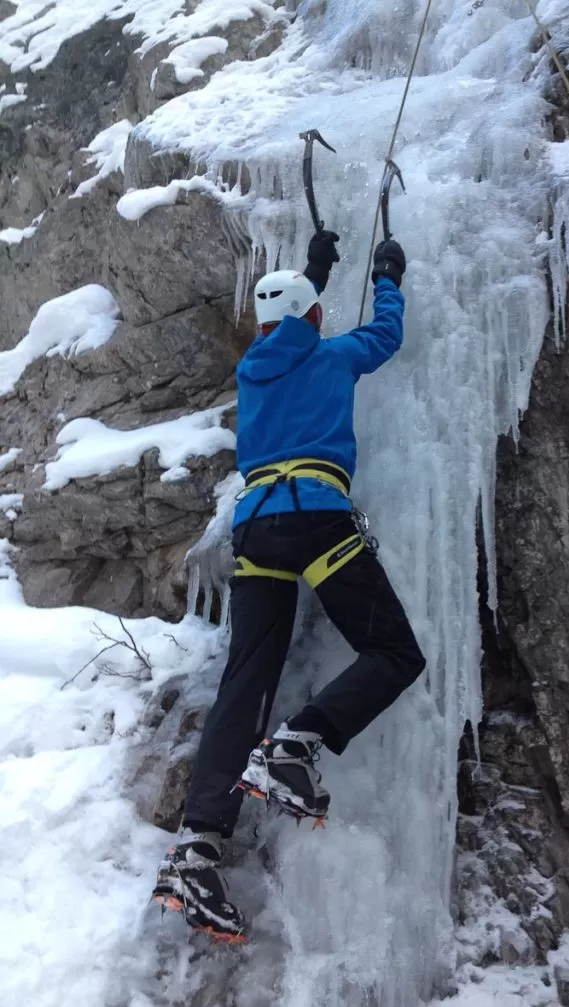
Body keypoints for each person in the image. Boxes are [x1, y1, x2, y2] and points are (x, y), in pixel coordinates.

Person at [152, 229, 426, 942]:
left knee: (245, 684)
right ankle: (296, 745)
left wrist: (313, 271)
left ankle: (197, 850)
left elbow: (287, 330)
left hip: (257, 532)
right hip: (317, 522)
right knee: (395, 654)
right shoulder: (335, 353)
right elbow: (384, 335)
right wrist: (388, 274)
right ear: (314, 319)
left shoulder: (252, 369)